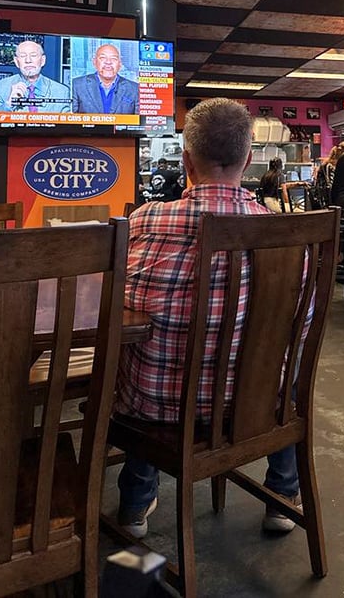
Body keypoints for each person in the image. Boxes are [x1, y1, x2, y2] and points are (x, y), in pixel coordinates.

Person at [114, 99, 304, 537]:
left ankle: (135, 505)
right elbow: (301, 326)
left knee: (142, 349)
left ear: (186, 161)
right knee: (284, 361)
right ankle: (282, 494)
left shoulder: (143, 221)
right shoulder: (283, 233)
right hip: (254, 407)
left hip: (154, 410)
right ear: (249, 159)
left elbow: (118, 309)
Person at [0, 39, 71, 112]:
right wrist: (9, 103)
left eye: (33, 55)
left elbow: (66, 126)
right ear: (16, 61)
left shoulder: (61, 91)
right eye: (23, 56)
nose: (28, 60)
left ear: (42, 60)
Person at [71, 43, 139, 114]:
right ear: (94, 62)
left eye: (113, 58)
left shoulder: (134, 89)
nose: (108, 62)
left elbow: (141, 122)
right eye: (102, 58)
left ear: (120, 64)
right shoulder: (77, 85)